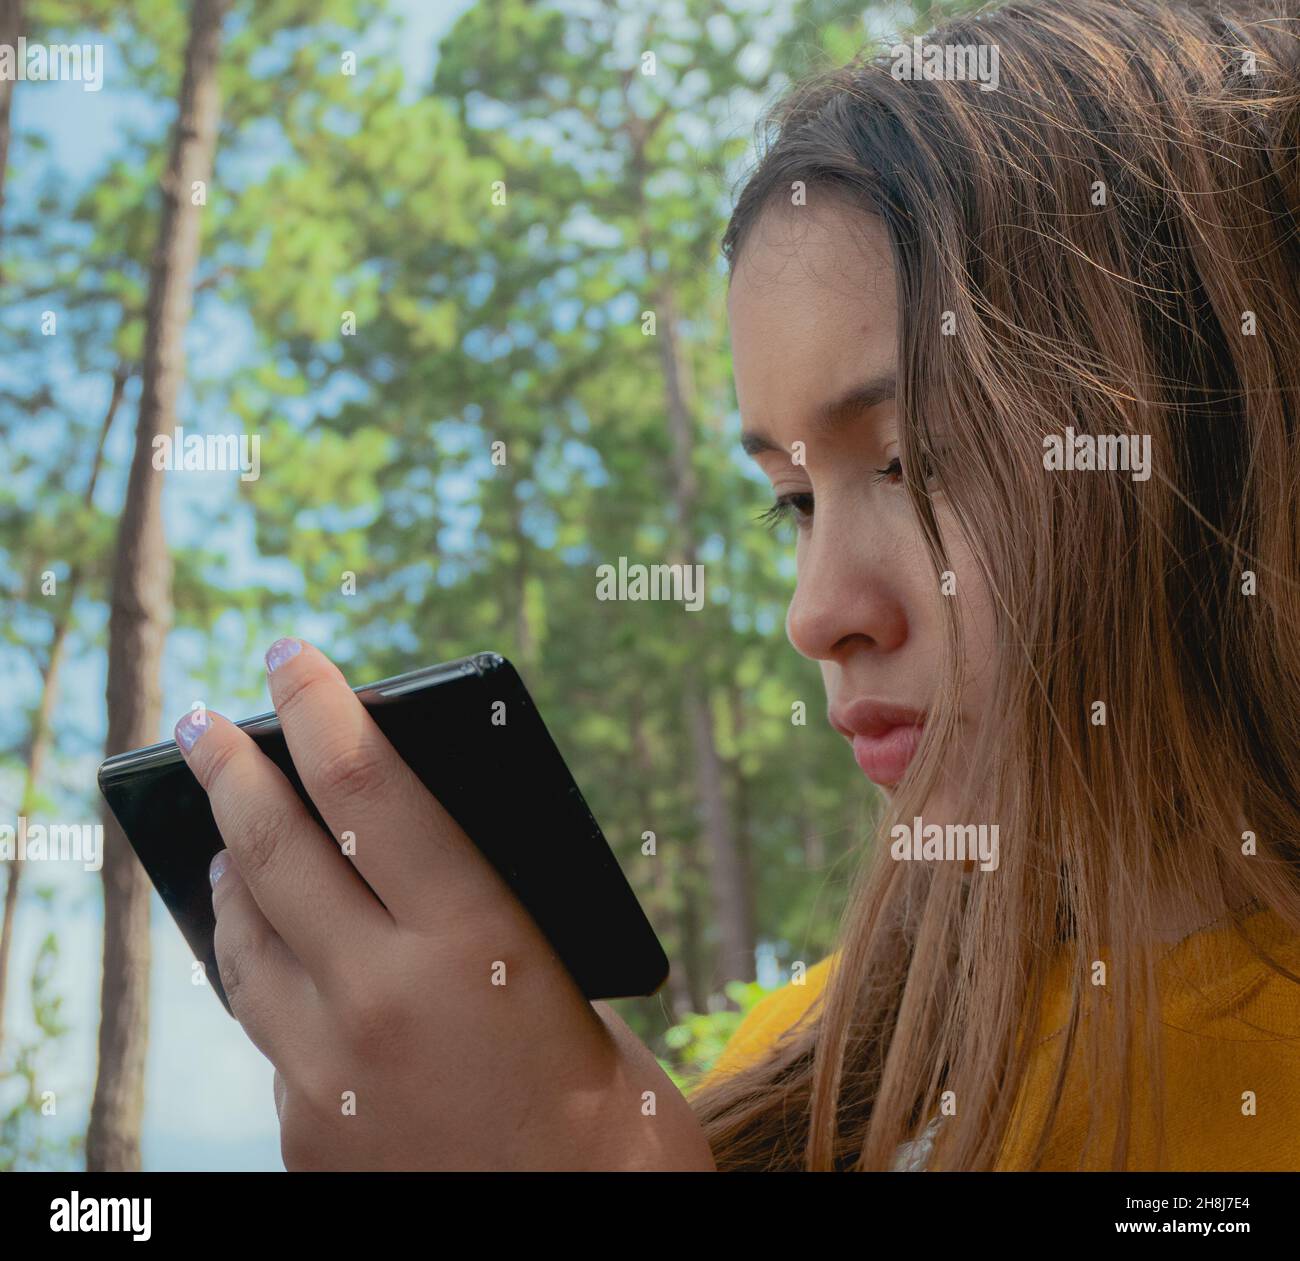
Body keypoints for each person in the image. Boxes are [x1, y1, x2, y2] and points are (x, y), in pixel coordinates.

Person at [175, 0, 1300, 1171]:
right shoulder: (784, 1059)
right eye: (795, 501)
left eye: (920, 462)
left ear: (1228, 446)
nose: (813, 616)